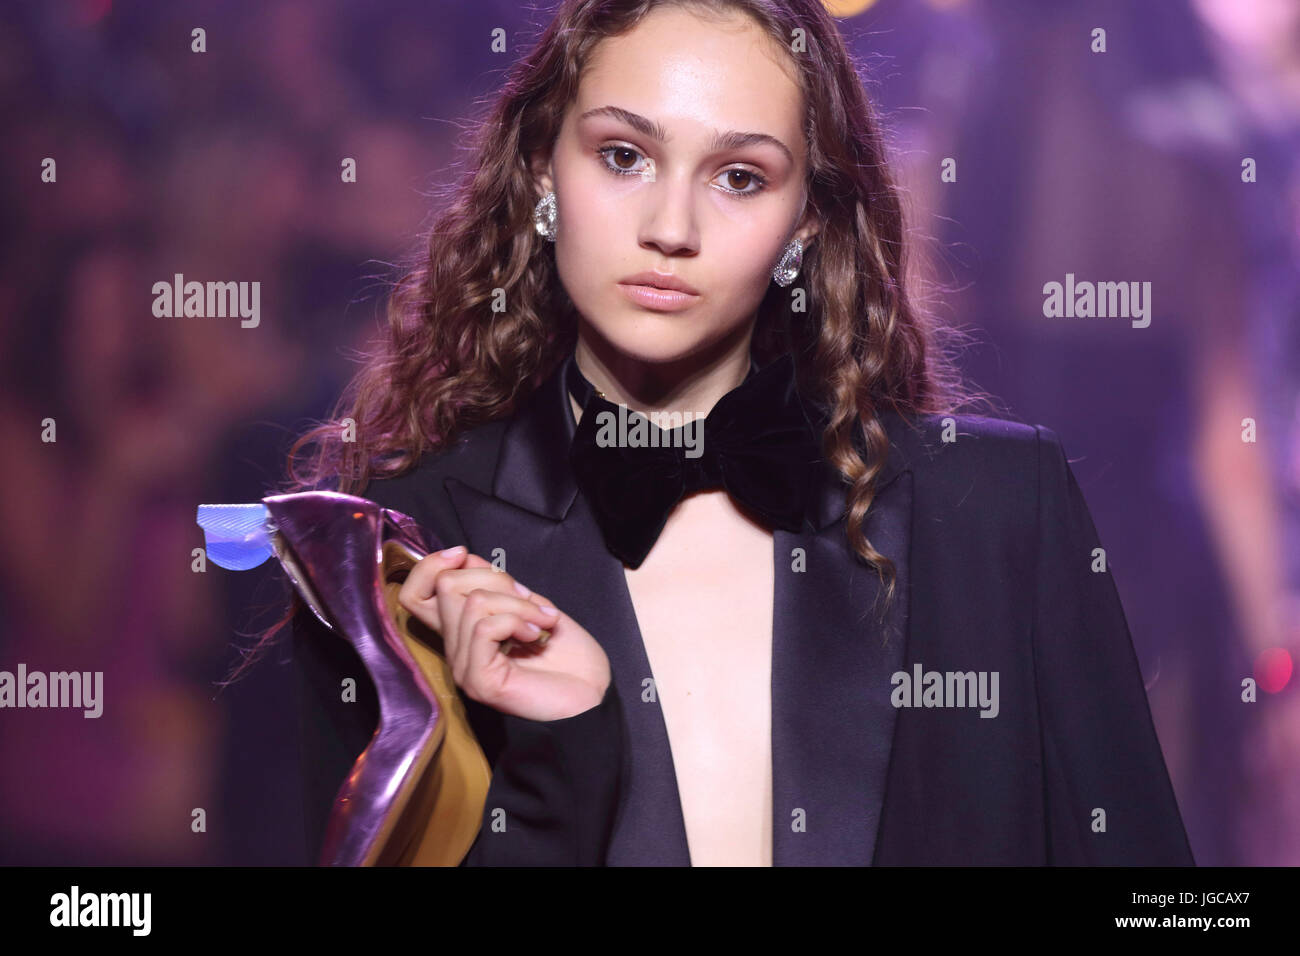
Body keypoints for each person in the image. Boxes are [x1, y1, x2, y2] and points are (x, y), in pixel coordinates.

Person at [271, 0, 1194, 866]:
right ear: (543, 170)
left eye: (740, 176)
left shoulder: (996, 515)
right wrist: (557, 756)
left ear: (804, 226)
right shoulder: (409, 544)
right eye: (624, 156)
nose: (671, 228)